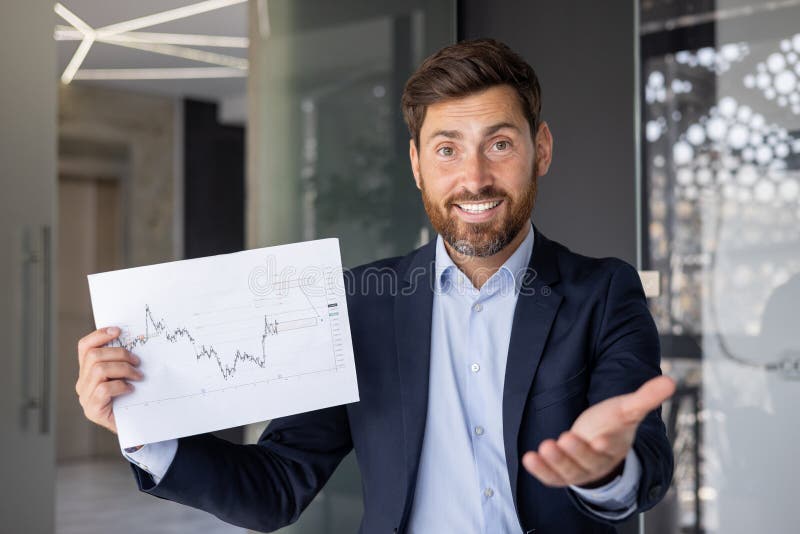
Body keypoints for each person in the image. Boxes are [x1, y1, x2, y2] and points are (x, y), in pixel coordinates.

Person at [75, 39, 674, 533]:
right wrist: (149, 434)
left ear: (540, 150)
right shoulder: (357, 304)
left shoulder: (604, 293)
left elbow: (645, 467)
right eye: (447, 150)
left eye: (499, 144)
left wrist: (603, 470)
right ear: (416, 165)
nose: (475, 178)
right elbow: (276, 487)